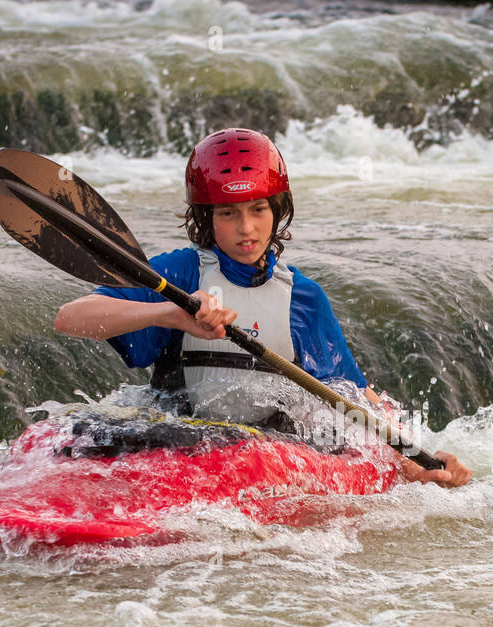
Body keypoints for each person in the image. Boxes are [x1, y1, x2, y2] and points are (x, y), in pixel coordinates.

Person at [54, 127, 471, 488]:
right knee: (83, 431)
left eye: (258, 210)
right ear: (206, 217)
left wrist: (415, 464)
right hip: (181, 444)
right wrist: (170, 314)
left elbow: (357, 401)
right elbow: (71, 318)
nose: (246, 228)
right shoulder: (178, 274)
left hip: (265, 457)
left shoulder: (304, 299)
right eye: (228, 213)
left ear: (278, 210)